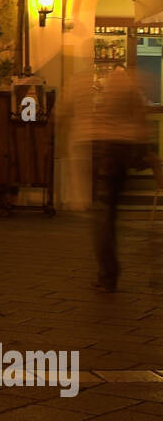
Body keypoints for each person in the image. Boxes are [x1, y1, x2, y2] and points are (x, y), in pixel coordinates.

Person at [91, 64, 149, 292]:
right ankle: (108, 273)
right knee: (109, 218)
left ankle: (108, 275)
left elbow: (104, 125)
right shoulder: (133, 92)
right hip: (122, 159)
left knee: (104, 221)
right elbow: (141, 124)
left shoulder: (113, 92)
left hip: (111, 160)